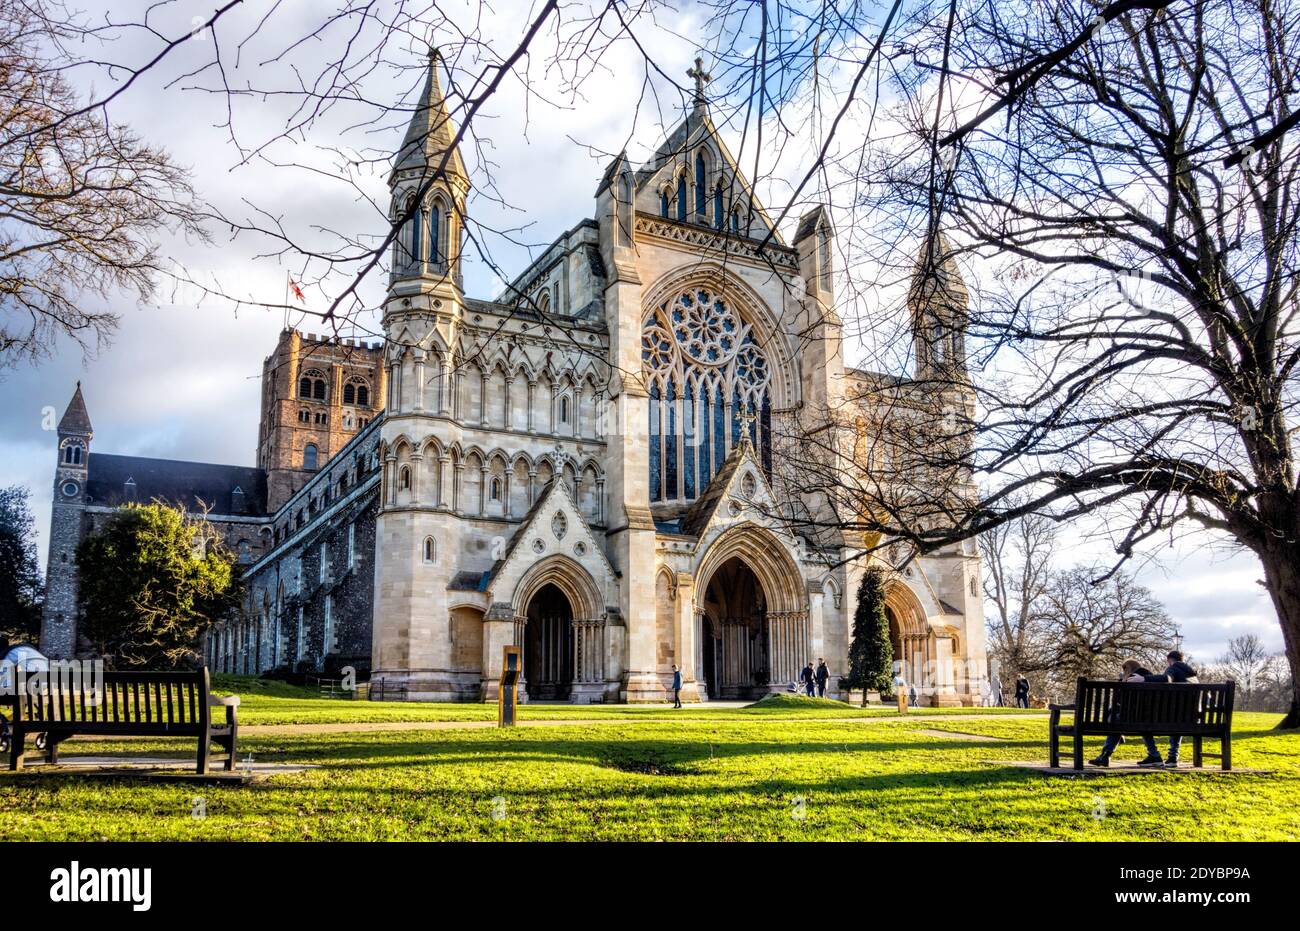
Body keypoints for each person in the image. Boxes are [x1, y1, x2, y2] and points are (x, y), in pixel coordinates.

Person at [1089, 659, 1164, 767]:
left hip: (1131, 718)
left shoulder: (1131, 679)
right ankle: (1155, 755)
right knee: (1120, 721)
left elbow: (1119, 701)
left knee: (1114, 720)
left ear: (1127, 669)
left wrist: (1123, 681)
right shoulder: (1150, 678)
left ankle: (1106, 754)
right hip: (1148, 718)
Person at [1146, 650, 1198, 768]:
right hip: (1194, 719)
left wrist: (1144, 679)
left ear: (1169, 660)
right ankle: (1173, 757)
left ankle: (1154, 754)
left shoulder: (1173, 668)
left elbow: (1166, 678)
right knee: (1177, 717)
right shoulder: (1192, 675)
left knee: (1144, 719)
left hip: (1178, 717)